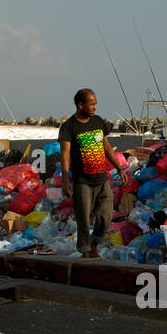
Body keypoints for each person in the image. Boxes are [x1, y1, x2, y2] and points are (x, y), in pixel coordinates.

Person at [58, 88, 128, 258]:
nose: (95, 107)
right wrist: (65, 179)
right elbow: (65, 154)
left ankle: (95, 244)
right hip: (82, 181)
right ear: (80, 105)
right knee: (83, 220)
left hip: (102, 179)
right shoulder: (69, 127)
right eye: (92, 104)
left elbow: (106, 147)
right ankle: (85, 252)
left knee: (105, 216)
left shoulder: (98, 121)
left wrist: (119, 168)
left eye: (96, 103)